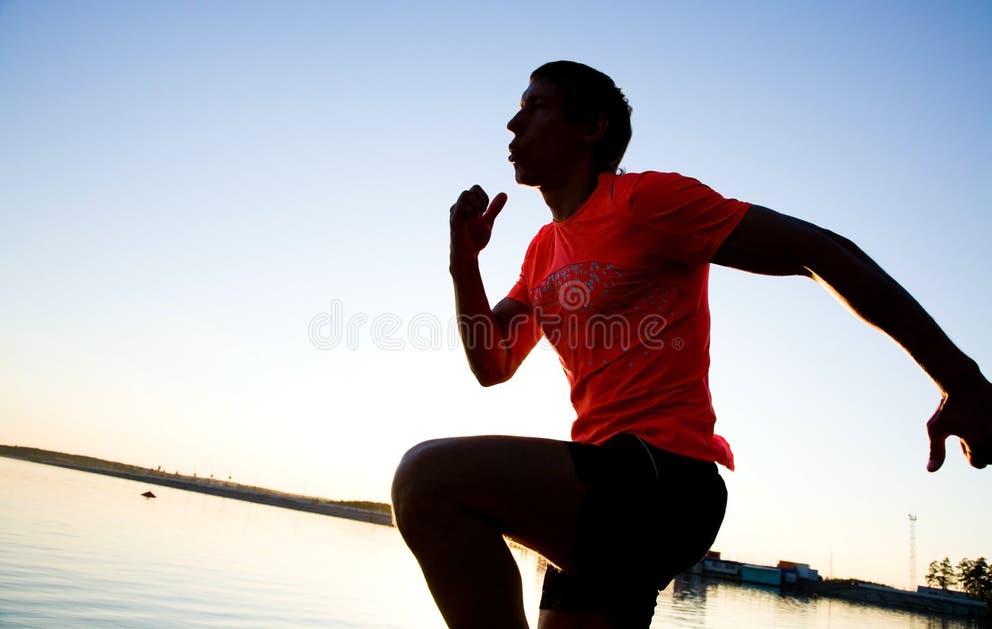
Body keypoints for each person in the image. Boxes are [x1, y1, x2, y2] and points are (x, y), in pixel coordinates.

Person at [390, 60, 991, 629]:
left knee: (427, 478)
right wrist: (464, 262)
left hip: (663, 481)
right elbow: (492, 363)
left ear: (592, 128)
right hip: (598, 486)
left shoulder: (644, 201)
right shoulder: (542, 251)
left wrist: (960, 380)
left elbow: (821, 252)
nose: (513, 123)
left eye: (536, 106)